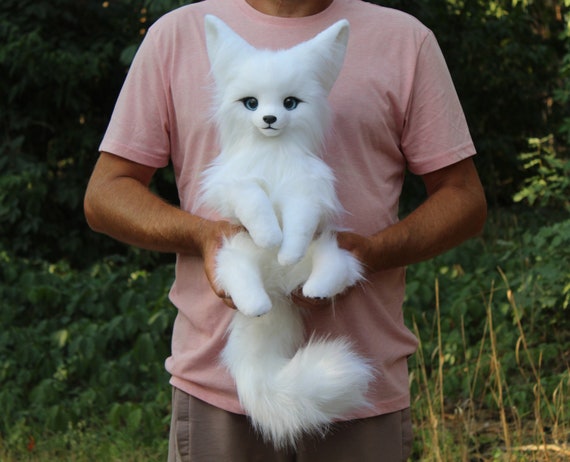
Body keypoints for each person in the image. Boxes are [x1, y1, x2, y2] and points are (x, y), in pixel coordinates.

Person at [84, 0, 487, 460]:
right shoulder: (177, 36)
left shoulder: (405, 41)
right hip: (217, 388)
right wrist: (203, 236)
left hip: (358, 387)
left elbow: (464, 198)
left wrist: (370, 253)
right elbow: (106, 194)